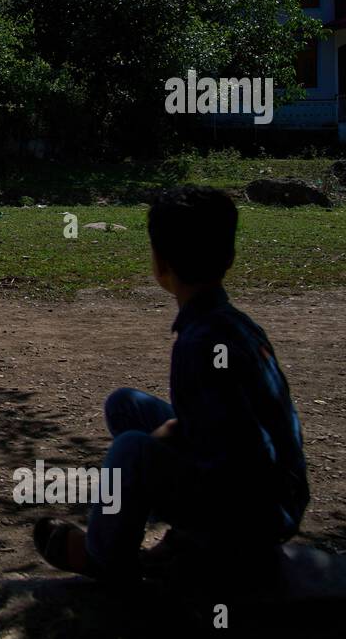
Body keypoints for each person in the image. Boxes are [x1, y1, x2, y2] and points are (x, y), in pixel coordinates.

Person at [34, 186, 309, 585]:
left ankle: (105, 557)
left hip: (253, 515)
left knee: (132, 449)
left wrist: (161, 443)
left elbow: (233, 452)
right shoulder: (235, 324)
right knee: (126, 406)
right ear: (229, 258)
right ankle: (185, 536)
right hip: (276, 494)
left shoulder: (199, 345)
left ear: (159, 263)